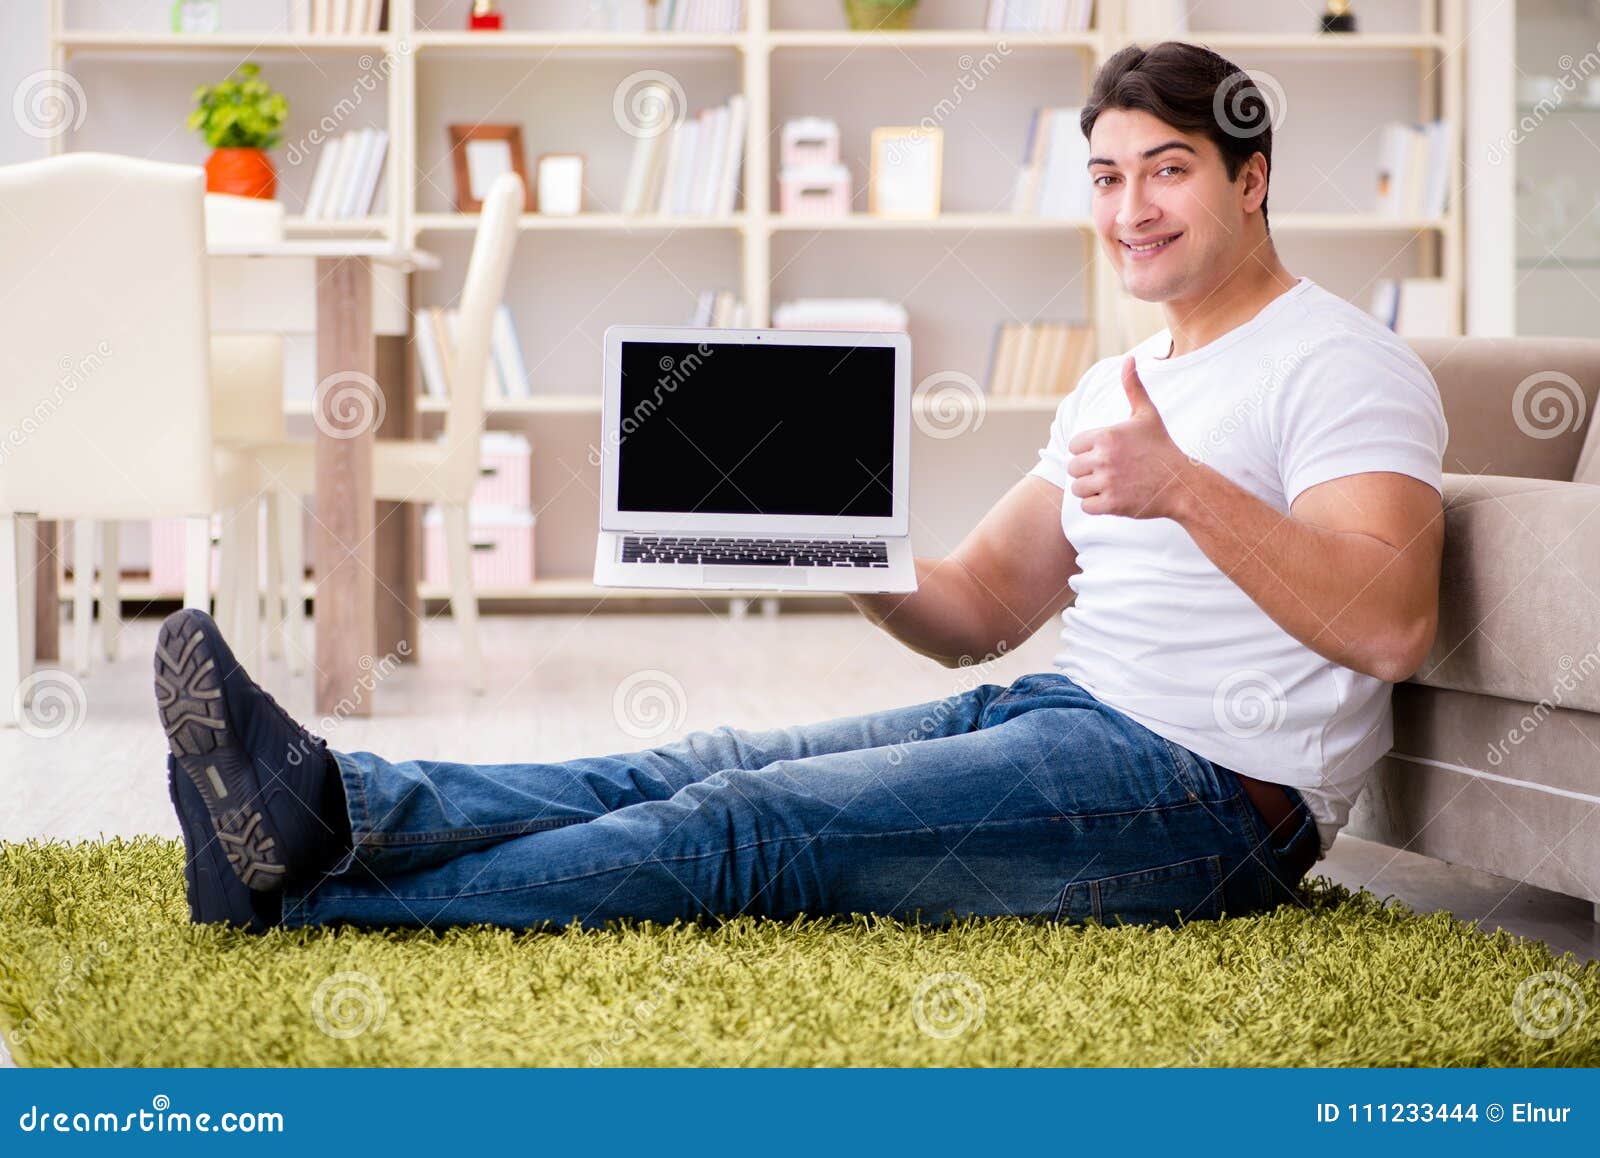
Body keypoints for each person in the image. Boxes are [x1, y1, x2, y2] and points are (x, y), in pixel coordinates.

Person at [157, 41, 1446, 934]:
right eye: (1107, 177)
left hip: (1215, 799)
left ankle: (308, 899)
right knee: (702, 761)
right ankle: (332, 803)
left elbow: (1391, 626)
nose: (1129, 209)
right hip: (1069, 707)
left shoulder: (1342, 361)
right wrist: (824, 547)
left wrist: (1181, 489)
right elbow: (982, 608)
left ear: (1251, 179)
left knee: (748, 825)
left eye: (1168, 169)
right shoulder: (1123, 379)